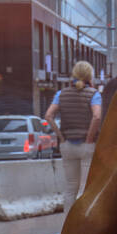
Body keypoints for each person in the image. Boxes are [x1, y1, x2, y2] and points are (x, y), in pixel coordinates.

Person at [45, 60, 101, 205]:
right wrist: (89, 138)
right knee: (84, 189)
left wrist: (61, 137)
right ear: (90, 76)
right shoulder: (94, 94)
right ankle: (82, 226)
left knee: (70, 188)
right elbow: (97, 116)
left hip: (67, 145)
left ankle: (67, 225)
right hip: (86, 146)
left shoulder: (61, 94)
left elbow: (48, 116)